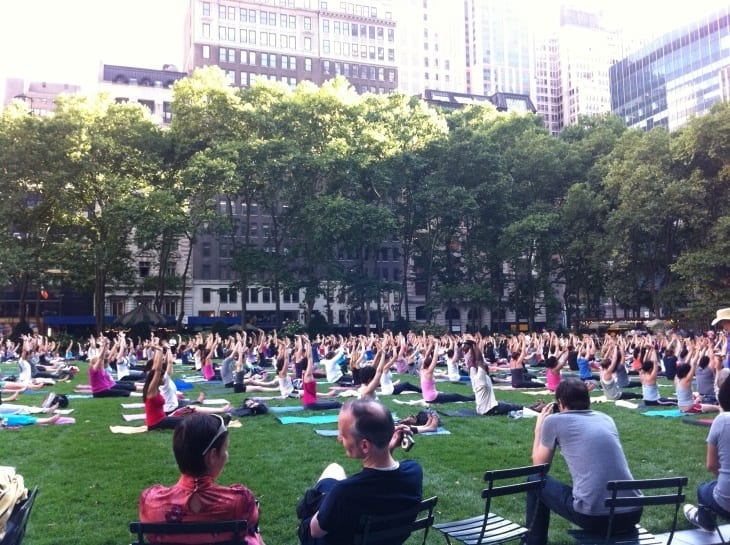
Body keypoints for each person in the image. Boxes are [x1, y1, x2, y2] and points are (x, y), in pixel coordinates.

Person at [524, 378, 642, 545]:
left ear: (561, 403)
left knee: (534, 481)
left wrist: (539, 428)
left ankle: (533, 542)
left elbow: (539, 468)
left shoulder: (553, 421)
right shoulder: (606, 418)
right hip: (632, 513)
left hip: (595, 516)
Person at [297, 398, 423, 545]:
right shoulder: (414, 471)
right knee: (335, 470)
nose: (339, 439)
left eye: (343, 435)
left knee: (318, 494)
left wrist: (327, 500)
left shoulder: (345, 491)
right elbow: (383, 479)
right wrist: (387, 448)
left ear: (364, 445)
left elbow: (315, 531)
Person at [139, 413, 264, 545]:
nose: (227, 456)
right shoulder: (241, 502)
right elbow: (251, 524)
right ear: (212, 456)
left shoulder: (150, 502)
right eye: (225, 449)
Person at [684, 368, 730, 532]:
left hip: (726, 501)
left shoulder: (723, 420)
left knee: (703, 489)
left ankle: (706, 522)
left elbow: (711, 465)